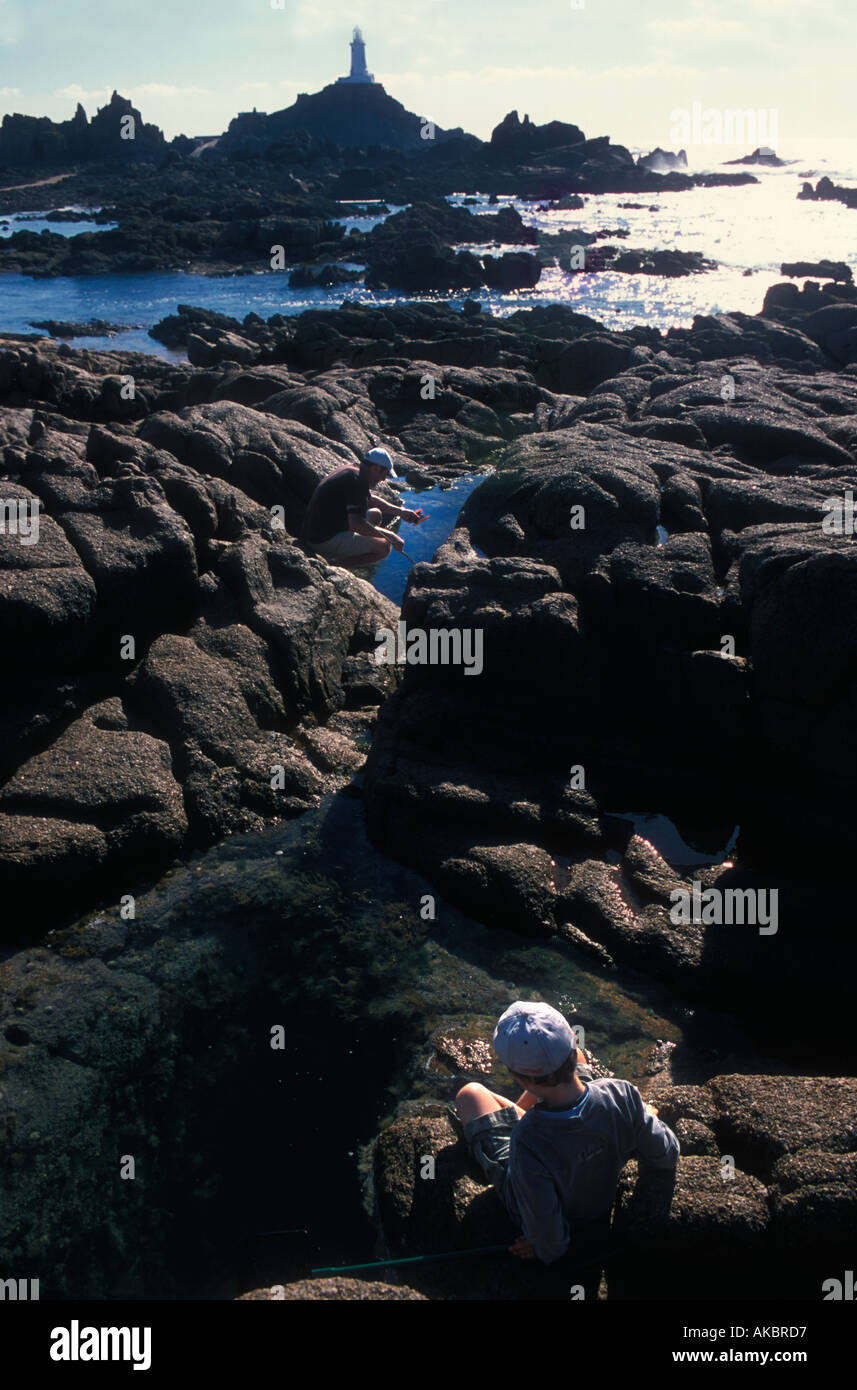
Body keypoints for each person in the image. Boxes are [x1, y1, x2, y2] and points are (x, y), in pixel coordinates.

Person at [455, 1001, 680, 1281]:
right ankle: (547, 1107)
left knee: (470, 1093)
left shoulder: (525, 1141)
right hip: (594, 1179)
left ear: (518, 1077)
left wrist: (541, 1247)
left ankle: (533, 1112)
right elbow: (667, 1155)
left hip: (538, 1169)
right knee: (583, 1065)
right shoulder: (623, 1094)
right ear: (572, 1044)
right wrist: (645, 1116)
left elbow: (551, 1239)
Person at [300, 446, 426, 566]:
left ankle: (345, 553)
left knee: (375, 514)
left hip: (319, 528)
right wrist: (392, 537)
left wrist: (401, 512)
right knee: (384, 547)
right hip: (321, 539)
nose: (383, 479)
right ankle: (334, 566)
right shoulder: (356, 481)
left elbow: (369, 499)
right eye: (385, 474)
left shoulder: (353, 471)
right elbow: (356, 525)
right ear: (376, 468)